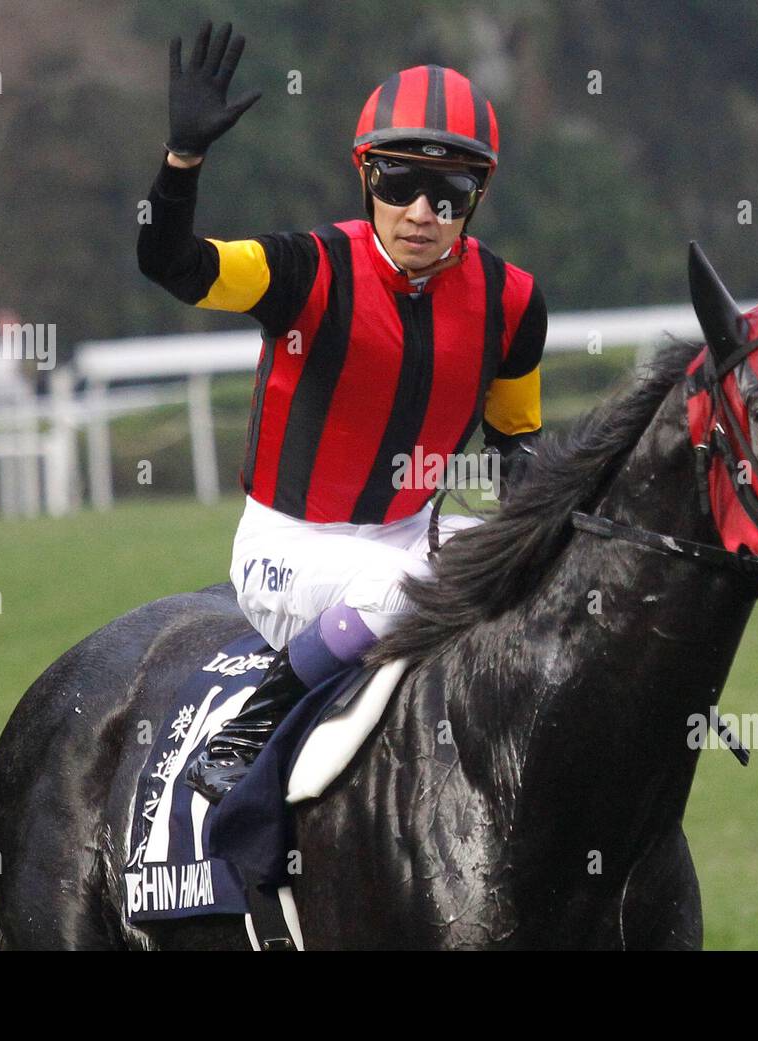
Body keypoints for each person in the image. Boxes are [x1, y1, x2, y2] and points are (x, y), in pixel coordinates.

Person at [137, 21, 546, 803]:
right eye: (399, 183)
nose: (422, 211)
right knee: (401, 590)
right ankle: (252, 729)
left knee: (543, 572)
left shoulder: (515, 301)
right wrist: (181, 163)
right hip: (286, 545)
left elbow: (517, 450)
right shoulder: (305, 268)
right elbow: (171, 262)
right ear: (365, 177)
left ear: (478, 196)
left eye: (449, 191)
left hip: (410, 536)